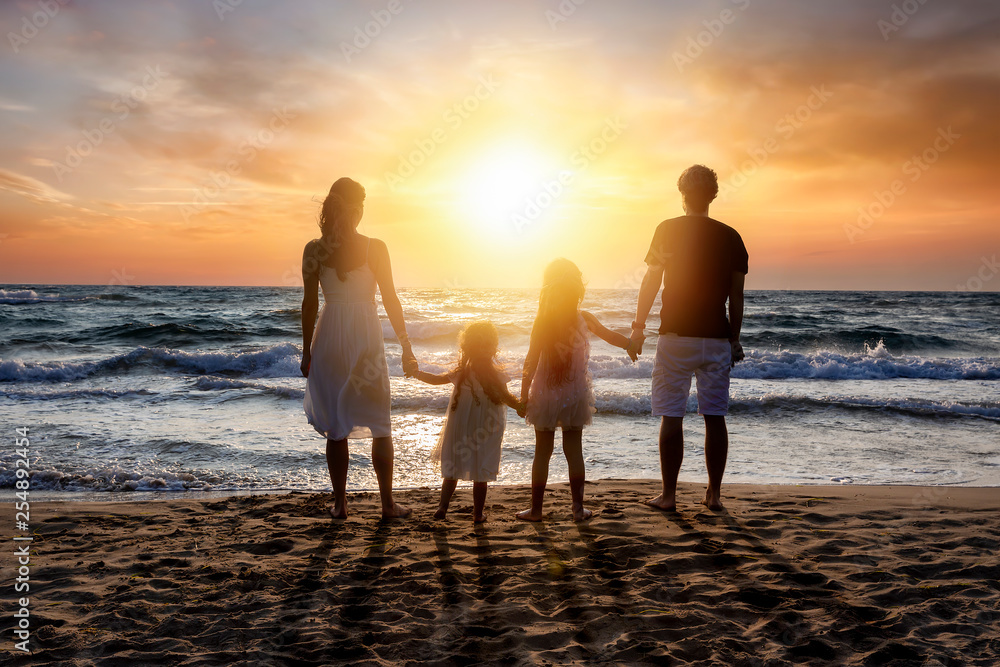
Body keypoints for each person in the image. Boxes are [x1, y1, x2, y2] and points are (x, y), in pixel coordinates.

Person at [628, 164, 748, 512]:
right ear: (712, 195)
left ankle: (668, 496)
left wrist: (638, 327)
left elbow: (651, 280)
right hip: (715, 338)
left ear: (682, 196)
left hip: (675, 336)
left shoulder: (667, 230)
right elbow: (736, 296)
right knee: (714, 416)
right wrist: (734, 339)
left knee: (671, 415)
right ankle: (713, 495)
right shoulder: (731, 237)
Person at [301, 177, 417, 520]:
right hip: (366, 337)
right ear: (358, 209)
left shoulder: (314, 249)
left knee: (336, 425)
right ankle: (387, 505)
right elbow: (391, 299)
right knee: (380, 422)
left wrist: (307, 351)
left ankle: (340, 504)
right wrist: (406, 345)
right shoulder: (375, 247)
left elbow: (309, 304)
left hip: (330, 338)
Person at [517, 258, 638, 522]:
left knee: (542, 453)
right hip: (574, 396)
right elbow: (610, 335)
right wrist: (630, 344)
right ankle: (577, 509)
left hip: (545, 394)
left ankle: (536, 511)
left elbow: (530, 360)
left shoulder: (542, 322)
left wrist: (523, 395)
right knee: (574, 452)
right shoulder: (584, 318)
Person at [410, 321, 525, 523]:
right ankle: (478, 514)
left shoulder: (462, 373)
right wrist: (523, 407)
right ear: (493, 347)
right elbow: (508, 398)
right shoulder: (496, 375)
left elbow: (436, 379)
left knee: (452, 470)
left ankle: (442, 508)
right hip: (485, 429)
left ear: (466, 347)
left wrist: (416, 373)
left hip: (460, 427)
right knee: (481, 472)